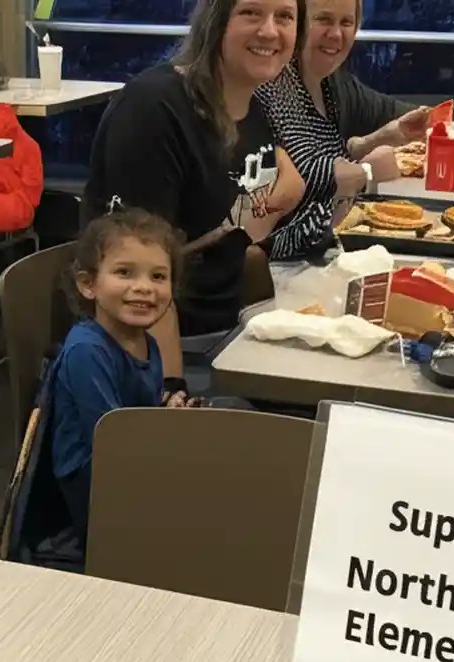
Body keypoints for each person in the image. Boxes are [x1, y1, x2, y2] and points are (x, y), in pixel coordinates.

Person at [83, 0, 307, 390]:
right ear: (215, 21)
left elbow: (273, 175)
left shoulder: (251, 106)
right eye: (251, 13)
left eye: (285, 17)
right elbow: (142, 282)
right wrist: (170, 390)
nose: (270, 31)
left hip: (230, 328)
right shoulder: (155, 109)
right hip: (161, 349)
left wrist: (289, 183)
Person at [48, 208, 191, 556]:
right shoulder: (87, 350)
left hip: (127, 460)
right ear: (89, 284)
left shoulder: (148, 343)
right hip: (93, 483)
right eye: (124, 273)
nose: (143, 287)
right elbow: (110, 437)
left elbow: (137, 414)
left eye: (158, 276)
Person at [255, 0, 435, 261]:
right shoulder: (273, 82)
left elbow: (416, 117)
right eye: (324, 20)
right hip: (278, 262)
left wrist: (379, 139)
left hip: (319, 251)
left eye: (346, 23)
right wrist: (367, 172)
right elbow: (308, 178)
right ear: (298, 22)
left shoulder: (333, 84)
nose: (336, 34)